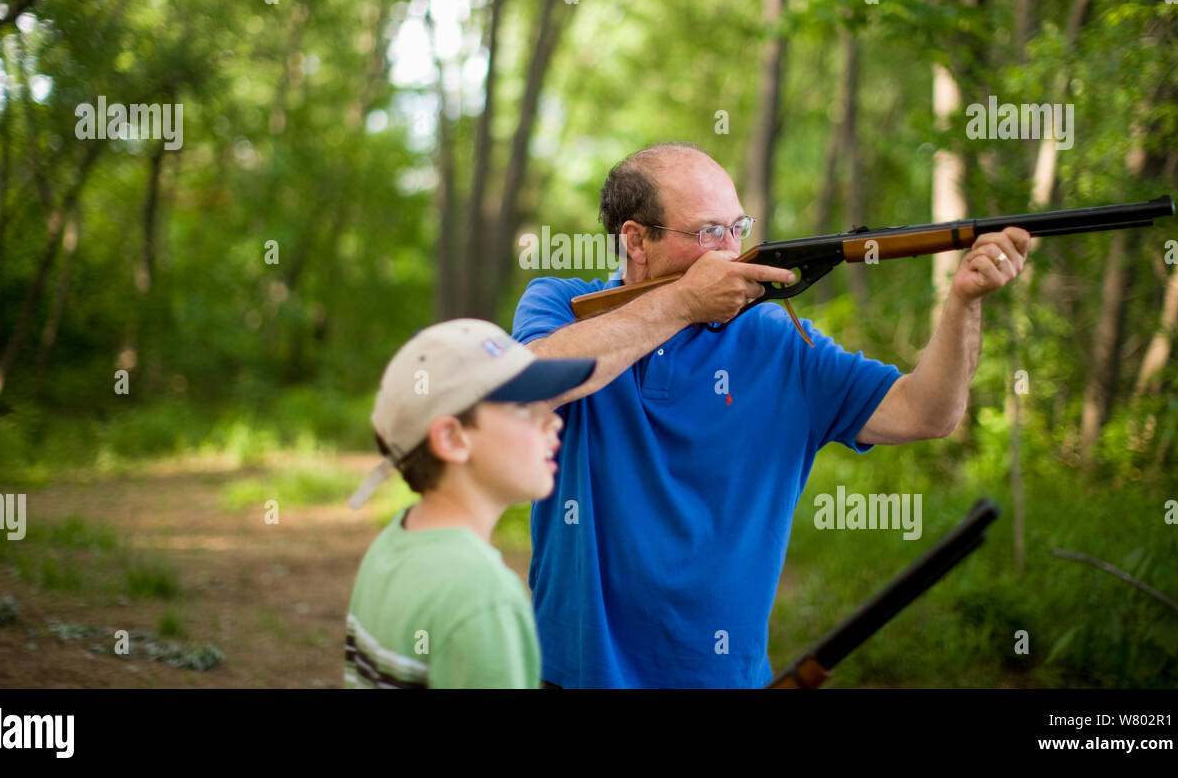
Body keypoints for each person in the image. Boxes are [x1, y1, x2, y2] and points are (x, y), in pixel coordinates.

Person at [512, 142, 1029, 687]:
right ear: (636, 241)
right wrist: (684, 302)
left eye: (738, 227)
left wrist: (965, 301)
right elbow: (528, 385)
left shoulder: (782, 341)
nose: (732, 250)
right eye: (708, 232)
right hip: (567, 675)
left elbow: (927, 413)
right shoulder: (558, 304)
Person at [345, 318, 593, 688]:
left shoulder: (391, 547)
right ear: (452, 438)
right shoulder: (484, 598)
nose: (552, 420)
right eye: (525, 406)